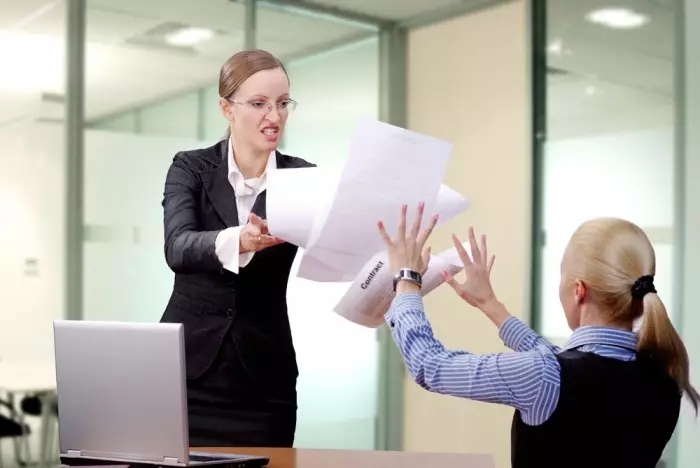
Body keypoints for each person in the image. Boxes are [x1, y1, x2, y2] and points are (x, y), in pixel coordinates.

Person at [377, 203, 699, 468]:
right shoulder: (665, 378)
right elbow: (565, 366)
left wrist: (407, 281)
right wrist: (492, 306)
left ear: (578, 291)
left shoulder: (548, 377)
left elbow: (429, 367)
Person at [159, 49, 314, 447]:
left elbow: (338, 248)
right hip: (185, 376)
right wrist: (237, 240)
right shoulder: (190, 168)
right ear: (226, 108)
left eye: (282, 103)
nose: (274, 116)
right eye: (259, 103)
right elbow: (177, 247)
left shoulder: (304, 178)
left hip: (265, 381)